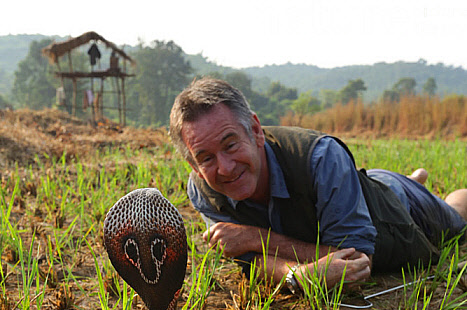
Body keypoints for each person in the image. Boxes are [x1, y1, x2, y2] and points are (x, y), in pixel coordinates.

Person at [169, 78, 467, 292]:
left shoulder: (321, 156)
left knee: (458, 214)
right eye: (206, 158)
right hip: (351, 187)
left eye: (230, 145)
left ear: (256, 131)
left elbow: (357, 261)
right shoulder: (203, 189)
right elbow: (251, 260)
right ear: (193, 165)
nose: (225, 168)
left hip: (397, 211)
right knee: (371, 185)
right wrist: (300, 275)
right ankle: (411, 180)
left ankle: (416, 186)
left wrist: (256, 237)